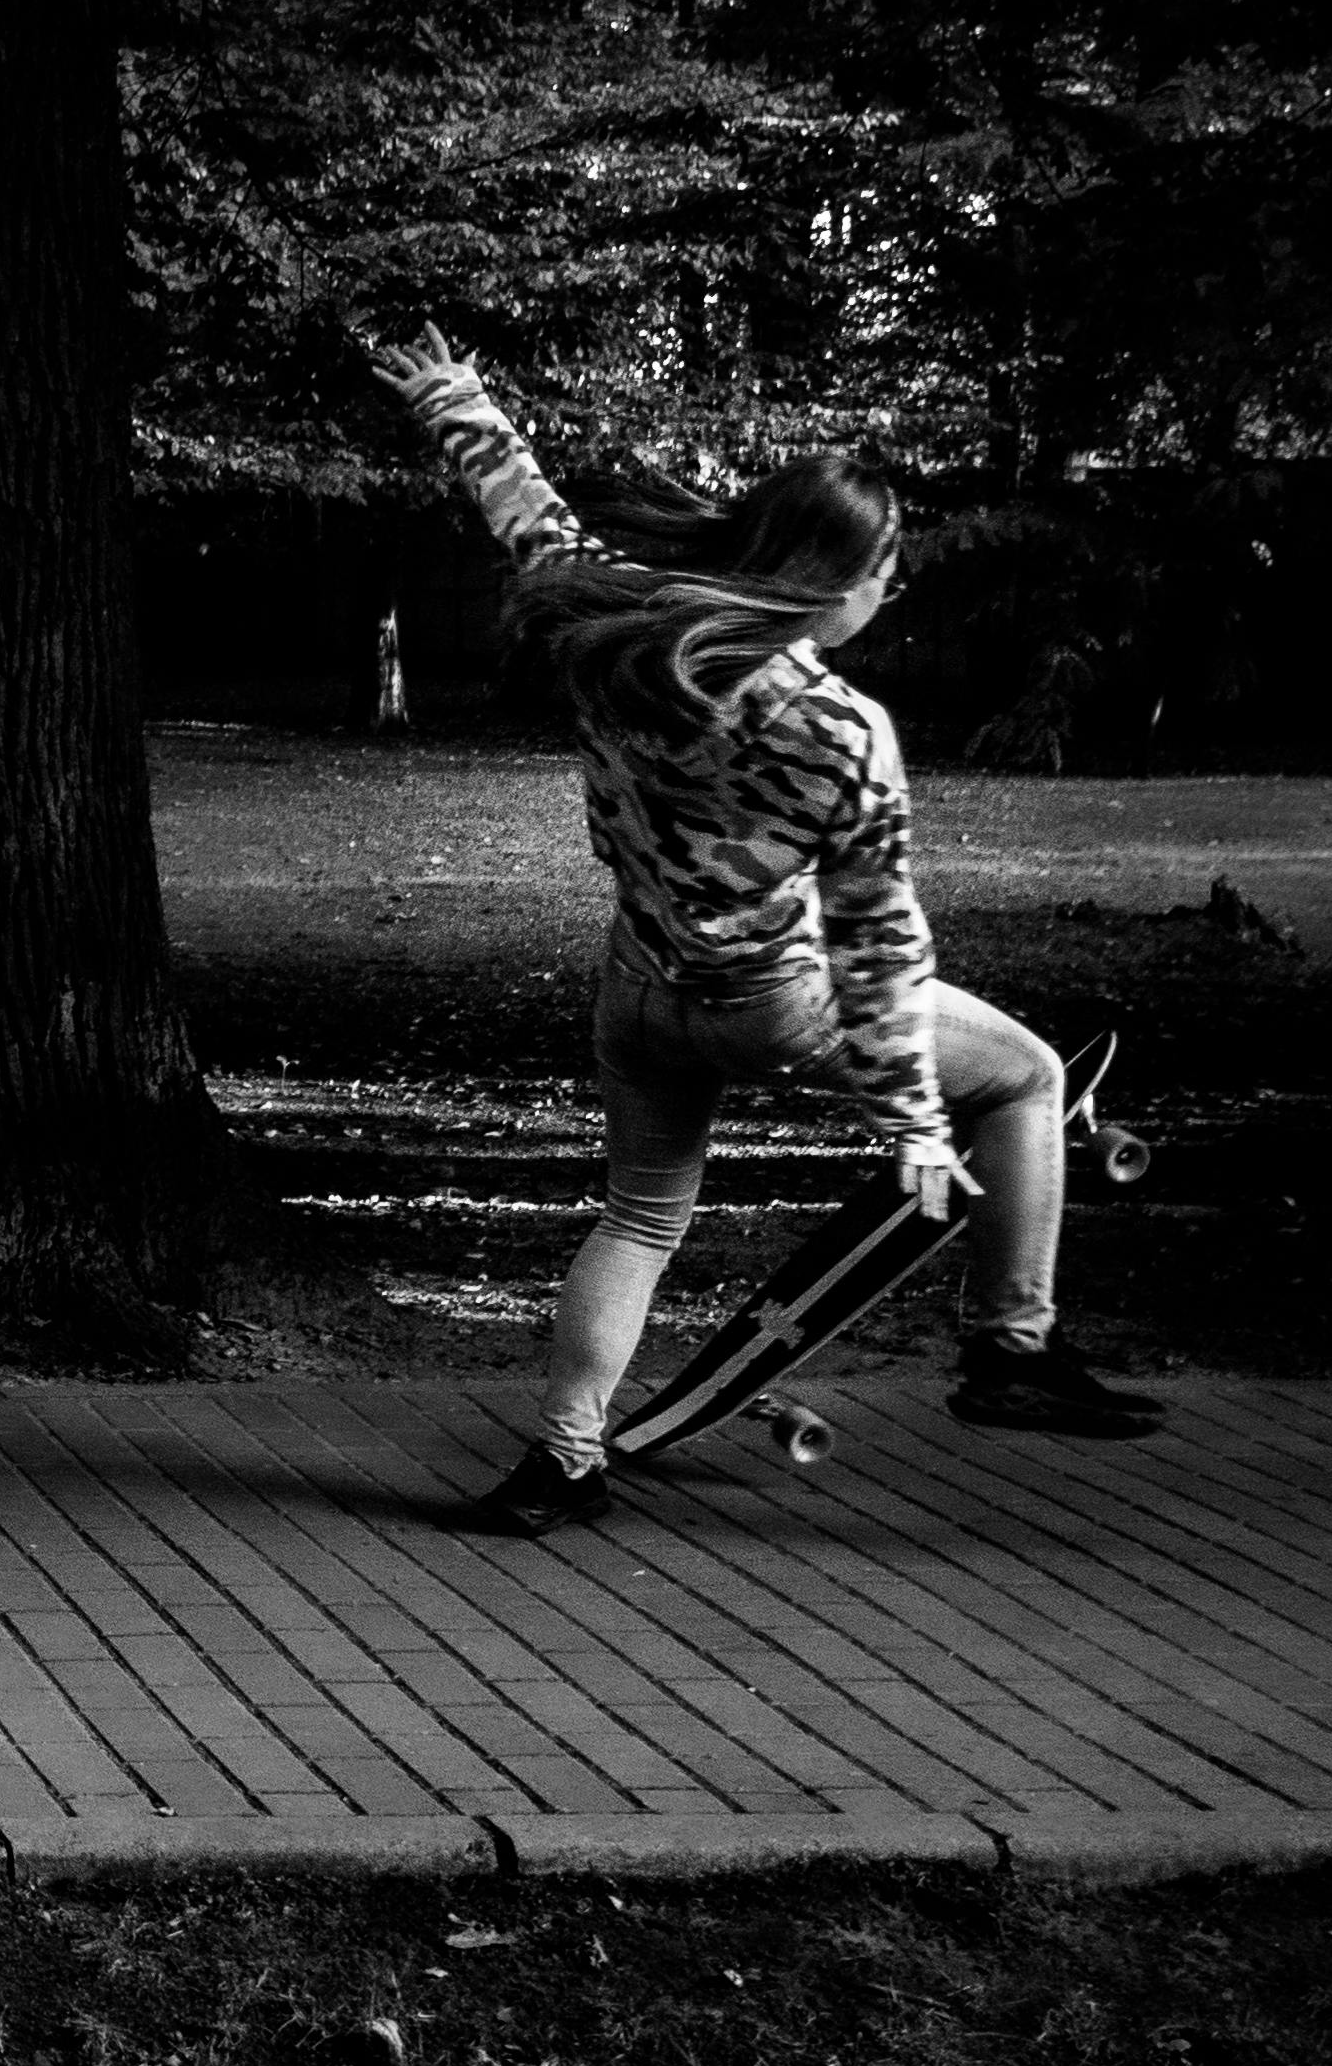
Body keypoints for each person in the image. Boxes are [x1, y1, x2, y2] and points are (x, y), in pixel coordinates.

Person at [370, 323, 1163, 1530]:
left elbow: (526, 519)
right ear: (830, 578)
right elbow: (879, 944)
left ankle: (562, 1461)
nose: (889, 590)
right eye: (882, 569)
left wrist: (458, 404)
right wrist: (908, 1116)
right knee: (1023, 1078)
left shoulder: (618, 626)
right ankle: (1010, 1348)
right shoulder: (843, 731)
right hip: (774, 1001)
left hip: (637, 989)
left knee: (639, 1215)